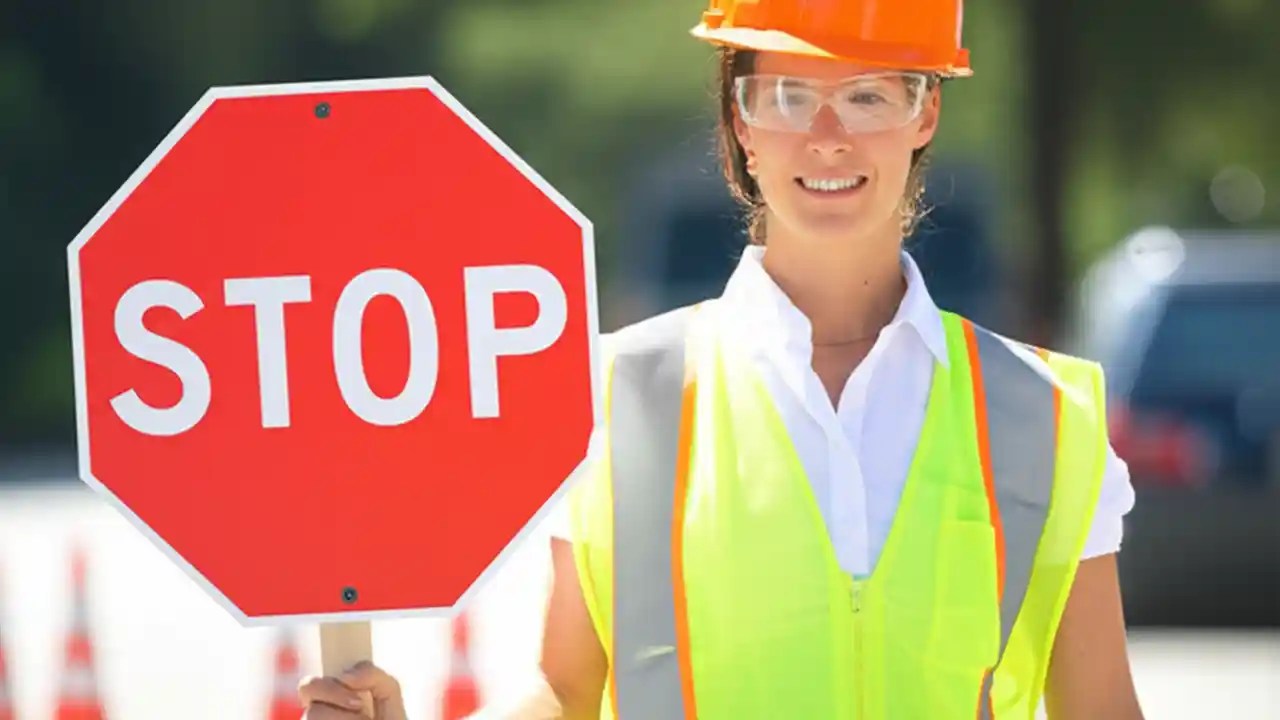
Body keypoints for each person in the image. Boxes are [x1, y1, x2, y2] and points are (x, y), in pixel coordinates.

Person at [299, 1, 1146, 718]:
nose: (826, 138)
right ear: (740, 119)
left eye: (866, 96)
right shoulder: (617, 397)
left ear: (925, 111)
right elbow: (566, 695)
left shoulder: (1046, 416)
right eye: (786, 95)